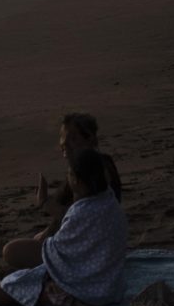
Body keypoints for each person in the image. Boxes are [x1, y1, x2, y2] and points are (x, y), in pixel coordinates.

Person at [0, 148, 128, 306]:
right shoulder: (108, 200)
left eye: (70, 174)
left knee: (15, 283)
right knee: (27, 276)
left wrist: (46, 250)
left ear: (76, 181)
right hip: (108, 286)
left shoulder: (81, 212)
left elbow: (60, 250)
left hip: (87, 294)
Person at [18, 111, 122, 261]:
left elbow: (79, 216)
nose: (64, 142)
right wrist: (46, 234)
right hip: (80, 238)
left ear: (91, 139)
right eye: (62, 136)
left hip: (90, 244)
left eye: (73, 138)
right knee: (35, 240)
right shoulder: (79, 169)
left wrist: (44, 202)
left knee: (12, 251)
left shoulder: (95, 170)